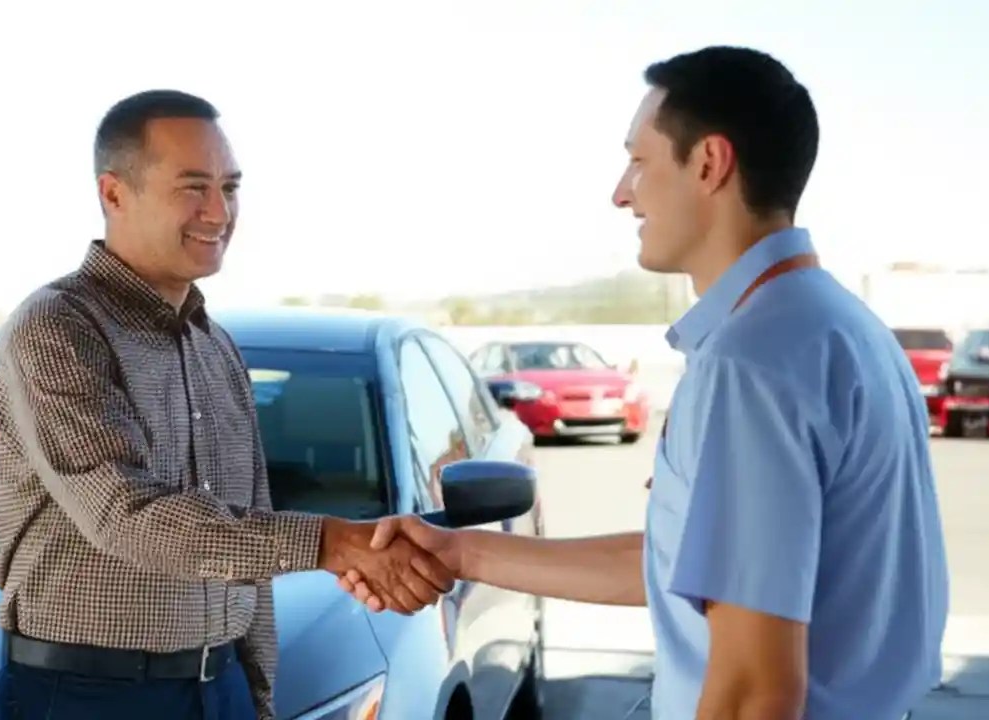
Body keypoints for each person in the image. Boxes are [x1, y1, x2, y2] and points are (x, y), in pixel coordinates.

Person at [340, 46, 949, 720]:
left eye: (639, 160)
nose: (622, 191)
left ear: (710, 163)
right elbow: (683, 569)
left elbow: (754, 692)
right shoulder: (840, 328)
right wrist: (459, 552)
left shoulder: (749, 365)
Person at [0, 89, 453, 720]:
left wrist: (255, 693)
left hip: (219, 686)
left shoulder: (216, 346)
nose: (219, 211)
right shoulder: (56, 327)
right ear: (114, 193)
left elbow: (244, 530)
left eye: (230, 187)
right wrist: (331, 543)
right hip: (88, 695)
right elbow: (126, 515)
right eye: (193, 186)